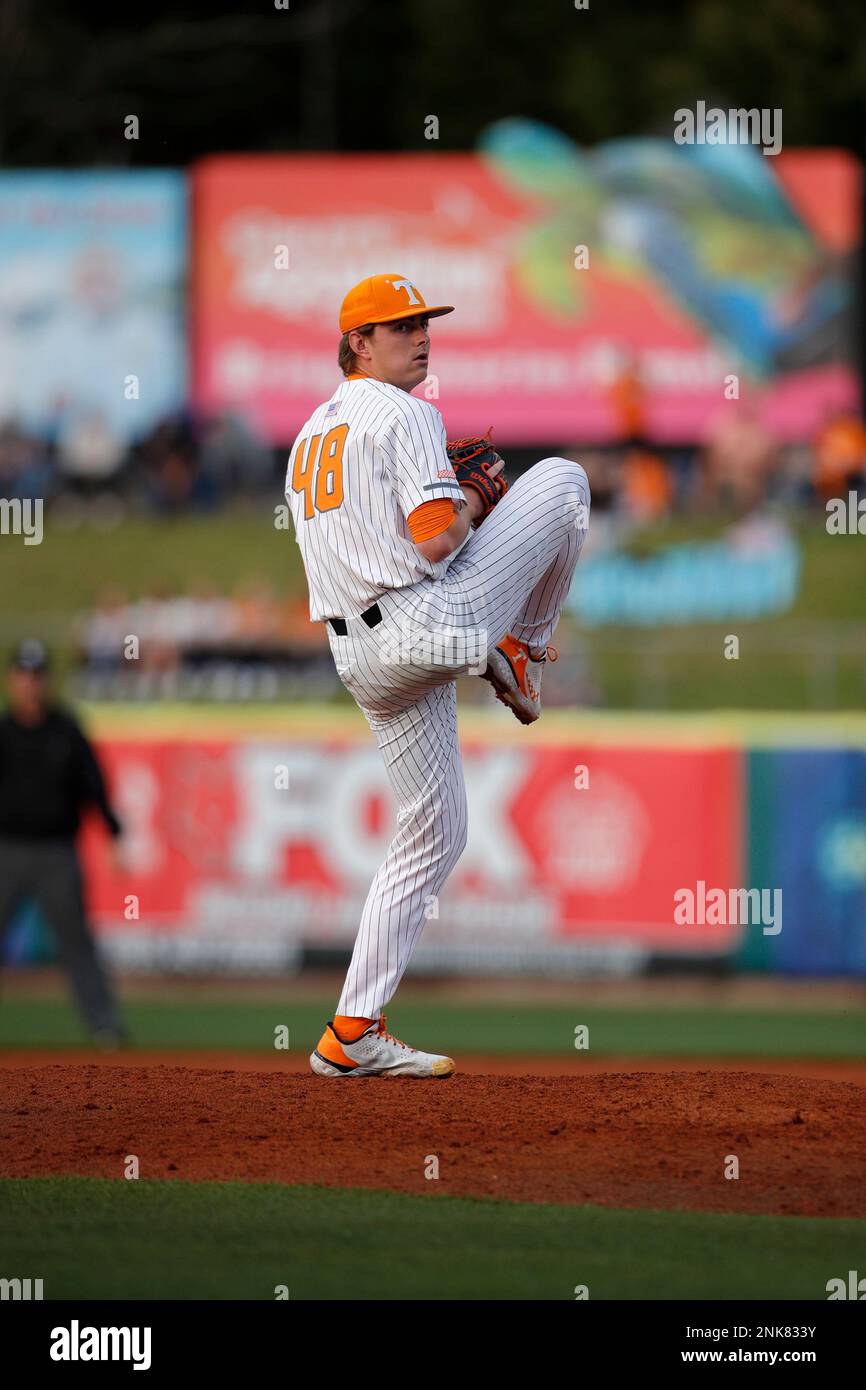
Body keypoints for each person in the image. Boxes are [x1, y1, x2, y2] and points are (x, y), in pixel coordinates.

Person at [285, 274, 590, 1079]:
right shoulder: (407, 411)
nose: (419, 336)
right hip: (427, 623)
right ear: (359, 343)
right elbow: (432, 541)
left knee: (438, 829)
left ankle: (351, 1030)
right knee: (562, 482)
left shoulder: (309, 434)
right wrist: (476, 497)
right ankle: (520, 647)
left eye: (423, 322)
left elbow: (386, 539)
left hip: (362, 658)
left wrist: (454, 507)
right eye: (398, 326)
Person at [0, 639, 128, 1048]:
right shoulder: (3, 732)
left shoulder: (65, 730)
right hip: (8, 851)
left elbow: (93, 785)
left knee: (76, 942)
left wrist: (112, 834)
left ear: (46, 680)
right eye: (24, 674)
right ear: (11, 680)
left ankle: (104, 1025)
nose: (30, 683)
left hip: (57, 852)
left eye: (37, 675)